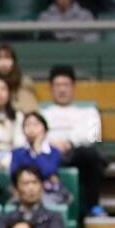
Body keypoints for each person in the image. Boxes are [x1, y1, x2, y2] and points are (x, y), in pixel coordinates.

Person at [42, 65, 108, 219]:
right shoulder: (42, 113)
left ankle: (92, 206)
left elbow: (93, 136)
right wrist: (52, 143)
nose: (62, 90)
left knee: (91, 156)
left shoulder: (89, 112)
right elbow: (33, 132)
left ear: (73, 87)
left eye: (66, 85)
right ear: (51, 88)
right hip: (49, 153)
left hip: (77, 155)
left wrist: (69, 142)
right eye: (58, 85)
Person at [10, 113, 71, 209]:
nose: (31, 128)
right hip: (24, 192)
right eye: (27, 125)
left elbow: (48, 171)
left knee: (47, 206)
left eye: (36, 124)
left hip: (49, 192)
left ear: (45, 129)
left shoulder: (54, 152)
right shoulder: (17, 153)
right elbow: (14, 174)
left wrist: (38, 149)